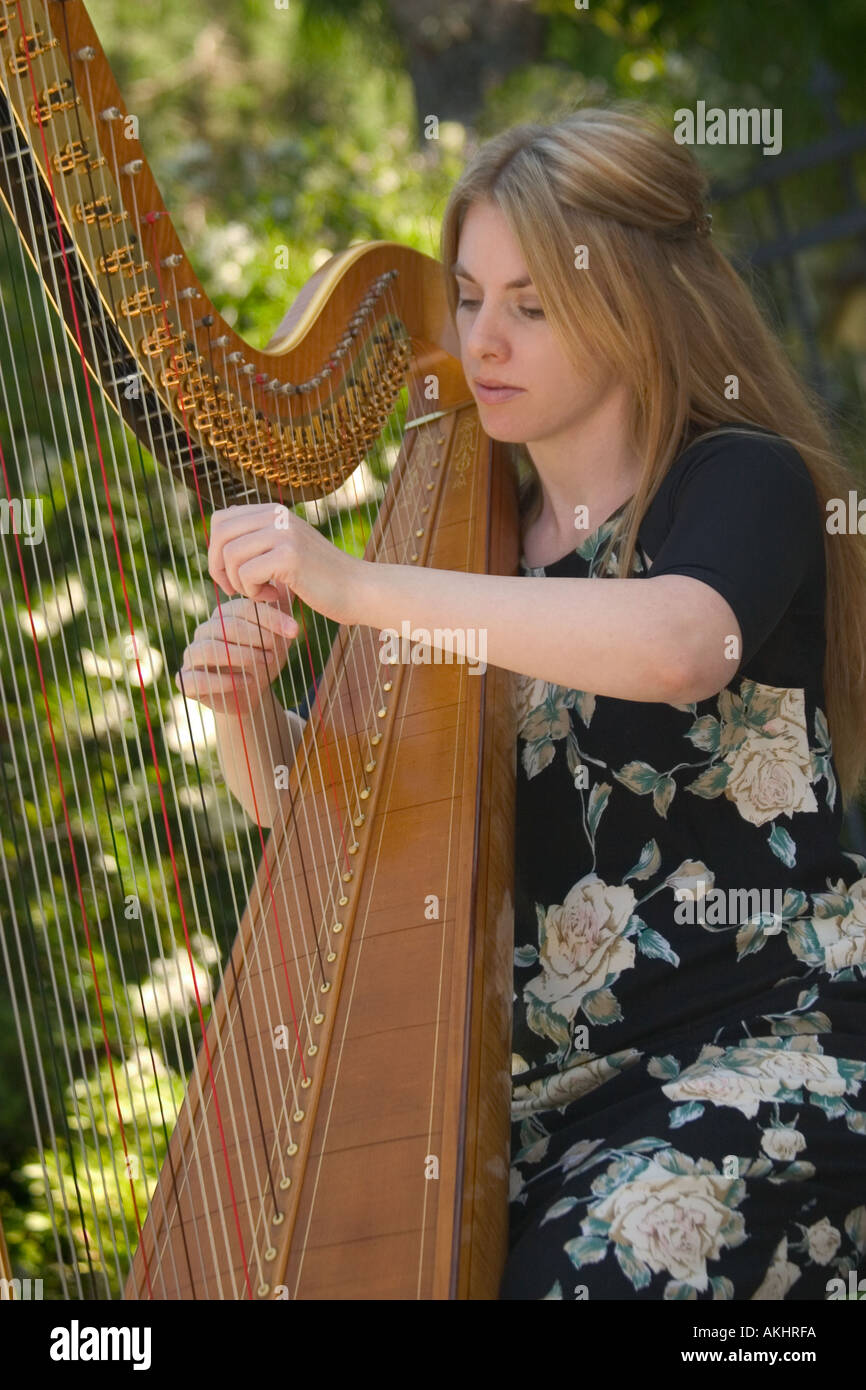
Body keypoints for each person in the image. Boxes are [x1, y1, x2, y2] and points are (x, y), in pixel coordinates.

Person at [177, 105, 866, 1301]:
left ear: (634, 305)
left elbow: (676, 644)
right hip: (539, 1113)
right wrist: (246, 715)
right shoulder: (467, 542)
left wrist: (355, 584)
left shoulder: (736, 477)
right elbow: (336, 813)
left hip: (759, 1045)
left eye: (531, 306)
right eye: (468, 297)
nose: (482, 339)